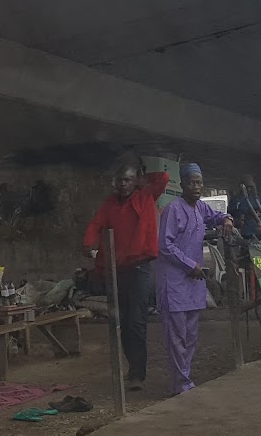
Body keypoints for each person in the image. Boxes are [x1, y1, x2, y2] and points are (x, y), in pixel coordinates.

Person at [82, 159, 170, 391]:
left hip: (140, 267)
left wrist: (143, 178)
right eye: (120, 180)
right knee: (121, 320)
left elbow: (163, 178)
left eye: (128, 180)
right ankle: (132, 367)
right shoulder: (110, 204)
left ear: (135, 182)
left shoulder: (145, 196)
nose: (123, 184)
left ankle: (138, 373)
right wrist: (88, 242)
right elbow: (95, 224)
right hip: (116, 269)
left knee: (136, 321)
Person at [153, 163, 232, 396]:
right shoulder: (172, 209)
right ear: (182, 185)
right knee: (176, 337)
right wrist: (190, 264)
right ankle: (181, 383)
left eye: (199, 183)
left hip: (193, 284)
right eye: (192, 183)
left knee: (191, 336)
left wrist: (227, 219)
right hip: (175, 282)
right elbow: (165, 245)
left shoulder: (200, 209)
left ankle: (185, 378)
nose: (196, 187)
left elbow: (216, 216)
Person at [229, 175, 261, 239]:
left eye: (251, 187)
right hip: (244, 232)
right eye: (247, 187)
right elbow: (231, 214)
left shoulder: (258, 198)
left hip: (259, 230)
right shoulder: (236, 199)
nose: (249, 189)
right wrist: (239, 218)